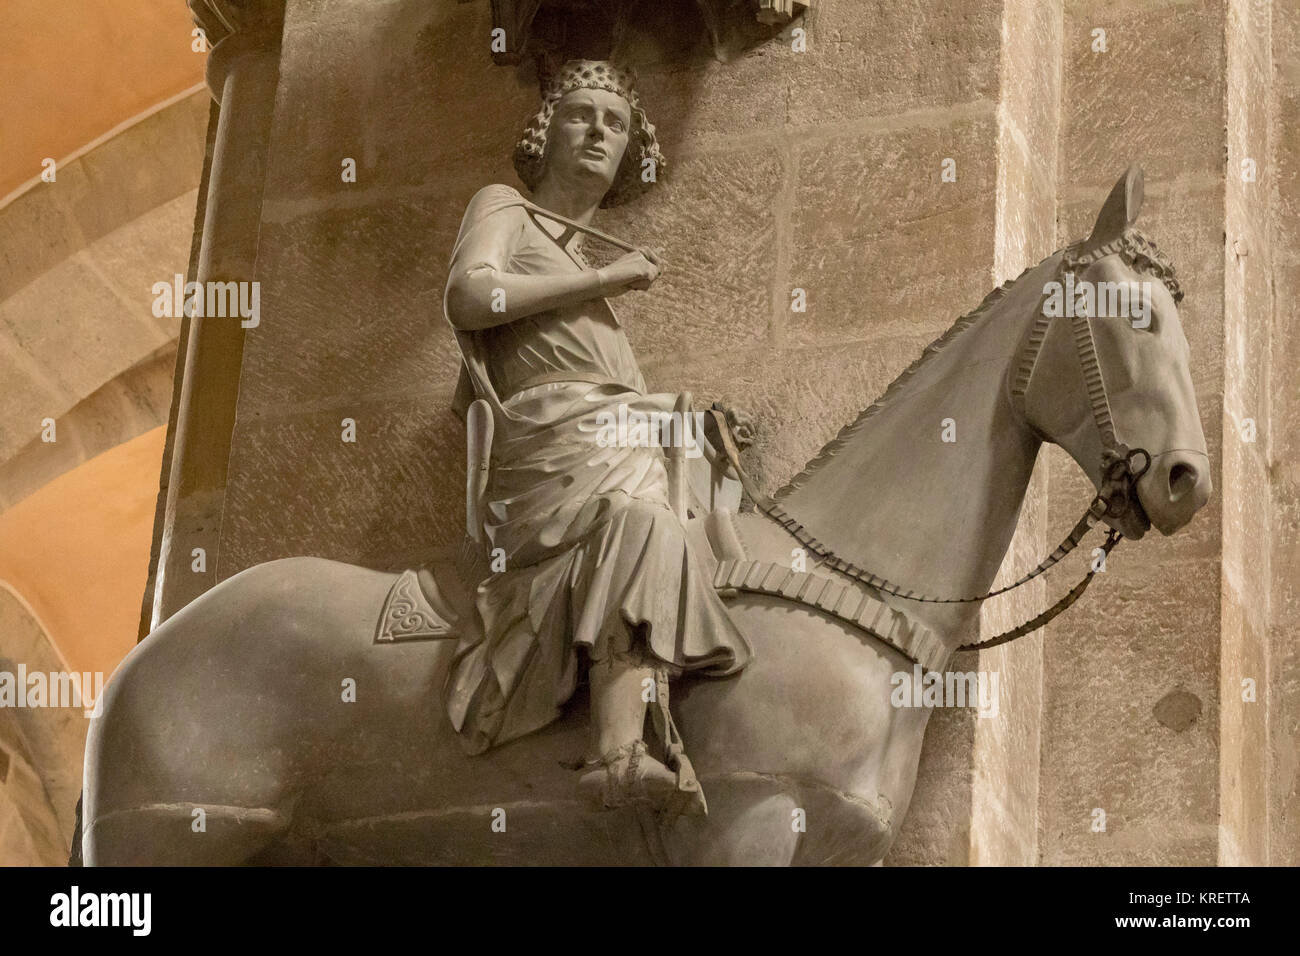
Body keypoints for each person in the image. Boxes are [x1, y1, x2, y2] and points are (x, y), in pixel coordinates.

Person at [442, 60, 751, 814]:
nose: (597, 132)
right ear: (546, 132)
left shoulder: (579, 253)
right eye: (580, 114)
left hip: (601, 434)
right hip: (547, 445)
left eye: (614, 124)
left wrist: (677, 416)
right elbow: (469, 295)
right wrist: (601, 283)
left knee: (707, 531)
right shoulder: (506, 207)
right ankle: (616, 753)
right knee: (644, 524)